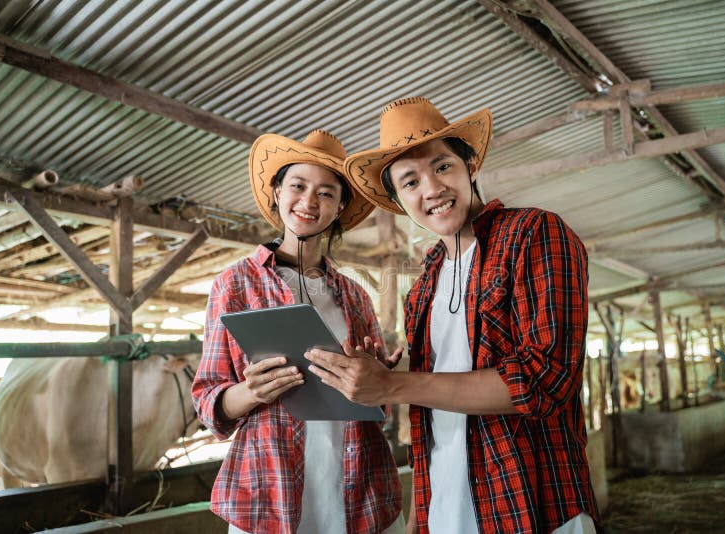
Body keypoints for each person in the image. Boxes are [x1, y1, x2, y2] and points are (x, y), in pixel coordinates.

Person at [305, 98, 601, 533]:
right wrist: (420, 515)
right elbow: (435, 406)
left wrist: (394, 383)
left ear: (470, 166)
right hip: (446, 509)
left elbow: (545, 381)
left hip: (529, 506)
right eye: (410, 182)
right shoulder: (424, 285)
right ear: (400, 201)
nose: (431, 189)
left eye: (442, 167)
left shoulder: (534, 233)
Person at [191, 130, 404, 534]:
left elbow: (379, 407)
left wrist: (380, 380)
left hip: (359, 486)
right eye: (298, 186)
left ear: (340, 205)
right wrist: (252, 392)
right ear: (276, 191)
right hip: (271, 489)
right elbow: (208, 400)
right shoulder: (235, 284)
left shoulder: (355, 296)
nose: (309, 202)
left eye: (326, 193)